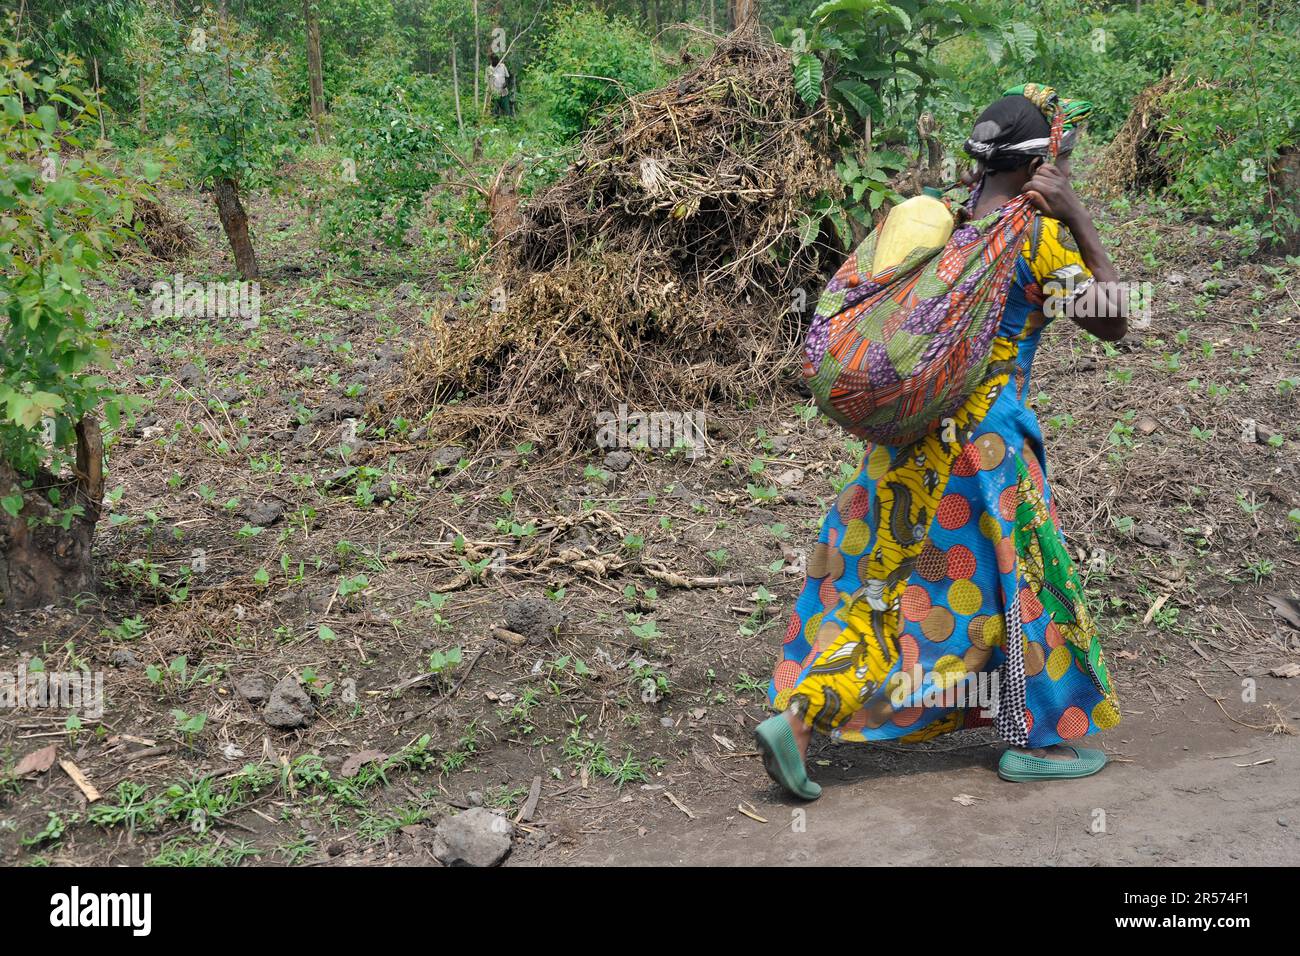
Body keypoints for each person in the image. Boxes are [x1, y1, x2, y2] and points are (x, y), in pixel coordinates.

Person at [758, 84, 1128, 800]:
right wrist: (1080, 219)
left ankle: (801, 715)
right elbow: (1114, 322)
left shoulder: (942, 224)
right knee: (1020, 587)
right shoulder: (1037, 238)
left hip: (903, 442)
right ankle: (1038, 740)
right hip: (985, 457)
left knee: (879, 585)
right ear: (1039, 165)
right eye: (1065, 156)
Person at [488, 52, 512, 117]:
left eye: (497, 60)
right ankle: (495, 125)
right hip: (495, 94)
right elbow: (488, 82)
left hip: (504, 93)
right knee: (494, 113)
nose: (496, 61)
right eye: (495, 60)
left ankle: (508, 122)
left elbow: (507, 77)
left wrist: (506, 83)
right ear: (491, 60)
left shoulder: (502, 66)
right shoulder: (489, 69)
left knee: (507, 112)